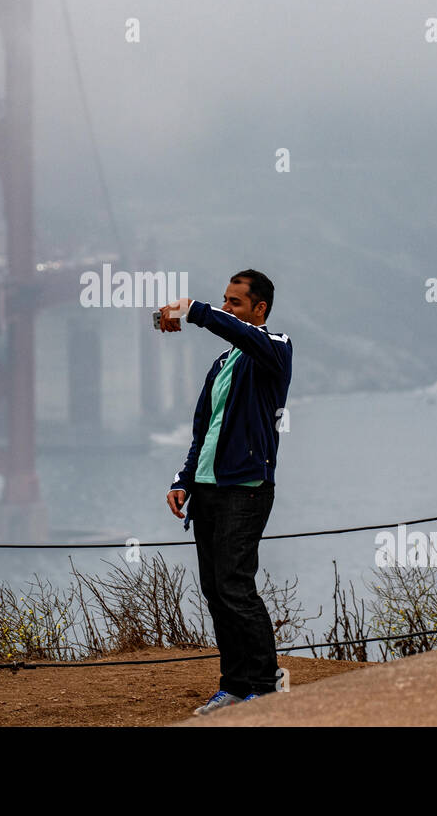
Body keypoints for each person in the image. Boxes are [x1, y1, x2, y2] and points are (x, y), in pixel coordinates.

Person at [157, 269, 293, 715]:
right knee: (216, 591)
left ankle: (264, 689)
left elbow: (237, 332)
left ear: (260, 309)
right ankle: (234, 686)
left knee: (236, 588)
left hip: (247, 489)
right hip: (210, 490)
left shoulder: (275, 350)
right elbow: (205, 429)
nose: (228, 308)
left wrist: (194, 310)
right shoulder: (221, 364)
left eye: (236, 302)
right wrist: (184, 481)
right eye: (224, 300)